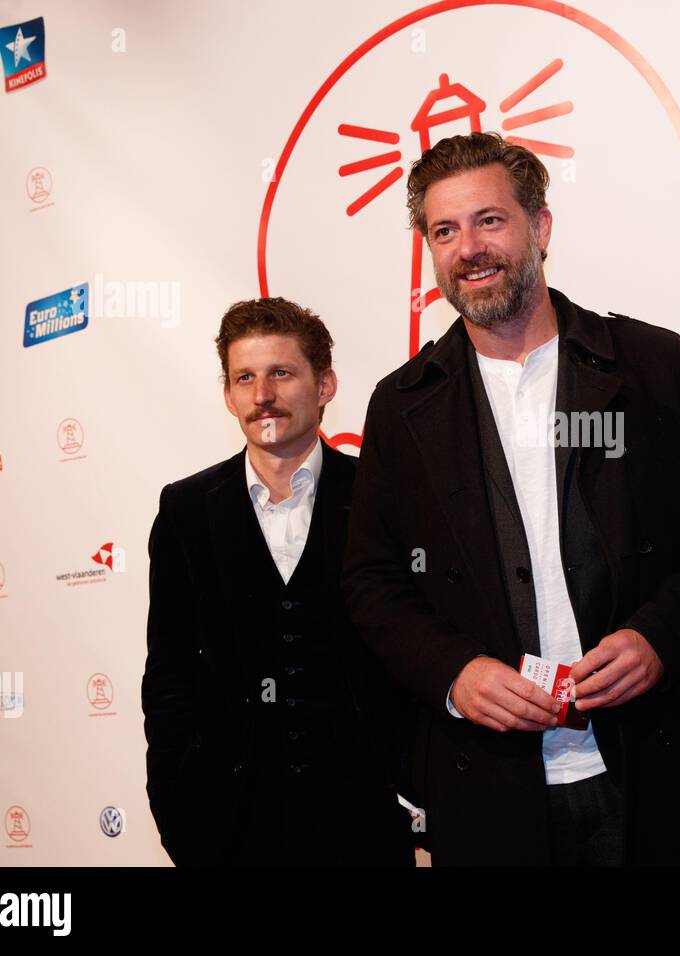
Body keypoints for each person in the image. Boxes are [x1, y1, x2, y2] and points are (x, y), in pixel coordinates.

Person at [342, 132, 680, 866]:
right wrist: (452, 673)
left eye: (489, 220)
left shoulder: (647, 365)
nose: (468, 247)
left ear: (540, 227)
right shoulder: (402, 405)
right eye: (445, 230)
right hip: (491, 792)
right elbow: (372, 585)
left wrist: (659, 636)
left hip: (658, 769)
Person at [141, 297, 413, 866]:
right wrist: (180, 813)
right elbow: (168, 676)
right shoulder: (186, 509)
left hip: (363, 826)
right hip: (230, 832)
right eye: (245, 377)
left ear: (326, 384)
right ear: (228, 394)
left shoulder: (378, 497)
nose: (262, 394)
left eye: (281, 373)